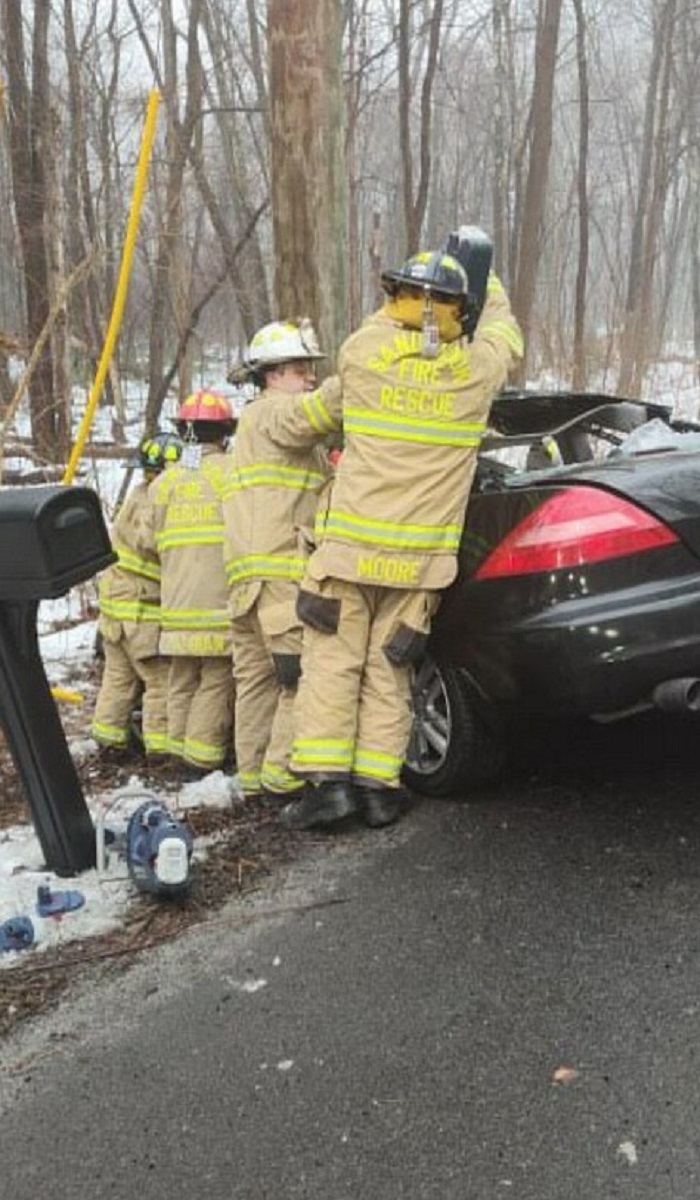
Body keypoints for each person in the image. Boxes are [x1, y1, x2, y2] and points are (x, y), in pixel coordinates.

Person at [284, 249, 524, 830]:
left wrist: (415, 297)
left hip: (348, 555)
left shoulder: (364, 358)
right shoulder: (474, 376)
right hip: (418, 567)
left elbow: (382, 324)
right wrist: (484, 285)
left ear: (400, 301)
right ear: (457, 312)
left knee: (334, 665)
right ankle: (378, 789)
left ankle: (328, 790)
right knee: (391, 672)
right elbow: (504, 337)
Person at [222, 320, 342, 804]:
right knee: (302, 675)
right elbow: (312, 414)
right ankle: (283, 777)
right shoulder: (272, 414)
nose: (310, 378)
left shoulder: (251, 430)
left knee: (257, 684)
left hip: (248, 582)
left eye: (312, 370)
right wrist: (362, 372)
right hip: (279, 578)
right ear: (271, 376)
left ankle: (252, 779)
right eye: (299, 370)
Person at [145, 390, 237, 779]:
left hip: (176, 606)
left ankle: (176, 749)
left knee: (181, 679)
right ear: (225, 432)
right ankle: (200, 760)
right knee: (216, 681)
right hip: (218, 604)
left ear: (184, 432)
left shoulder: (163, 484)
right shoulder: (233, 473)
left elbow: (149, 543)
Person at [91, 431, 182, 761]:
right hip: (141, 608)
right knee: (160, 680)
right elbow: (153, 545)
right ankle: (160, 750)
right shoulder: (157, 500)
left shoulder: (136, 494)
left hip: (115, 607)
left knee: (119, 678)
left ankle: (108, 739)